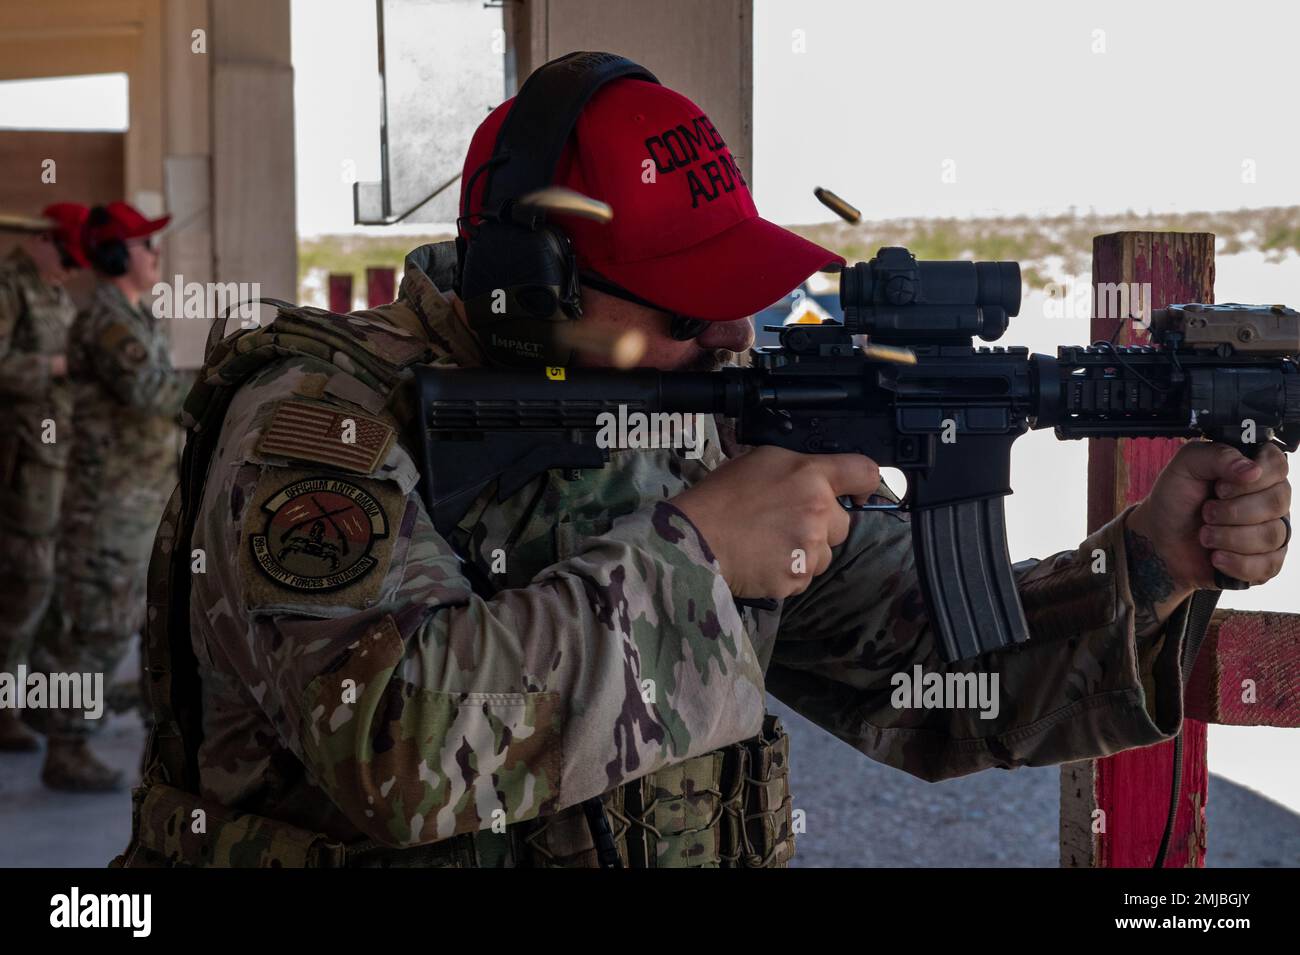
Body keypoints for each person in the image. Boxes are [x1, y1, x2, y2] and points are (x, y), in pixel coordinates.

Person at [117, 54, 1291, 867]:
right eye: (685, 307)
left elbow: (937, 679)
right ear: (529, 287)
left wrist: (1147, 562)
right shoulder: (316, 425)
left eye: (734, 297)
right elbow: (387, 745)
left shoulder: (691, 411)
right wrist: (693, 559)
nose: (728, 335)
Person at [33, 202, 189, 790]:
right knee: (99, 629)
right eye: (146, 245)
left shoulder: (133, 314)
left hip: (138, 500)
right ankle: (66, 748)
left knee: (143, 624)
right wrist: (219, 380)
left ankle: (150, 717)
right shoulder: (108, 321)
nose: (156, 255)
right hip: (108, 508)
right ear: (116, 254)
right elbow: (152, 393)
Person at [0, 204, 88, 752]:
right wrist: (59, 365)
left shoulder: (50, 287)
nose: (72, 271)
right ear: (44, 241)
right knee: (23, 581)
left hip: (51, 455)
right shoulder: (10, 285)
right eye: (68, 257)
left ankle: (27, 692)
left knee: (47, 581)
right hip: (20, 461)